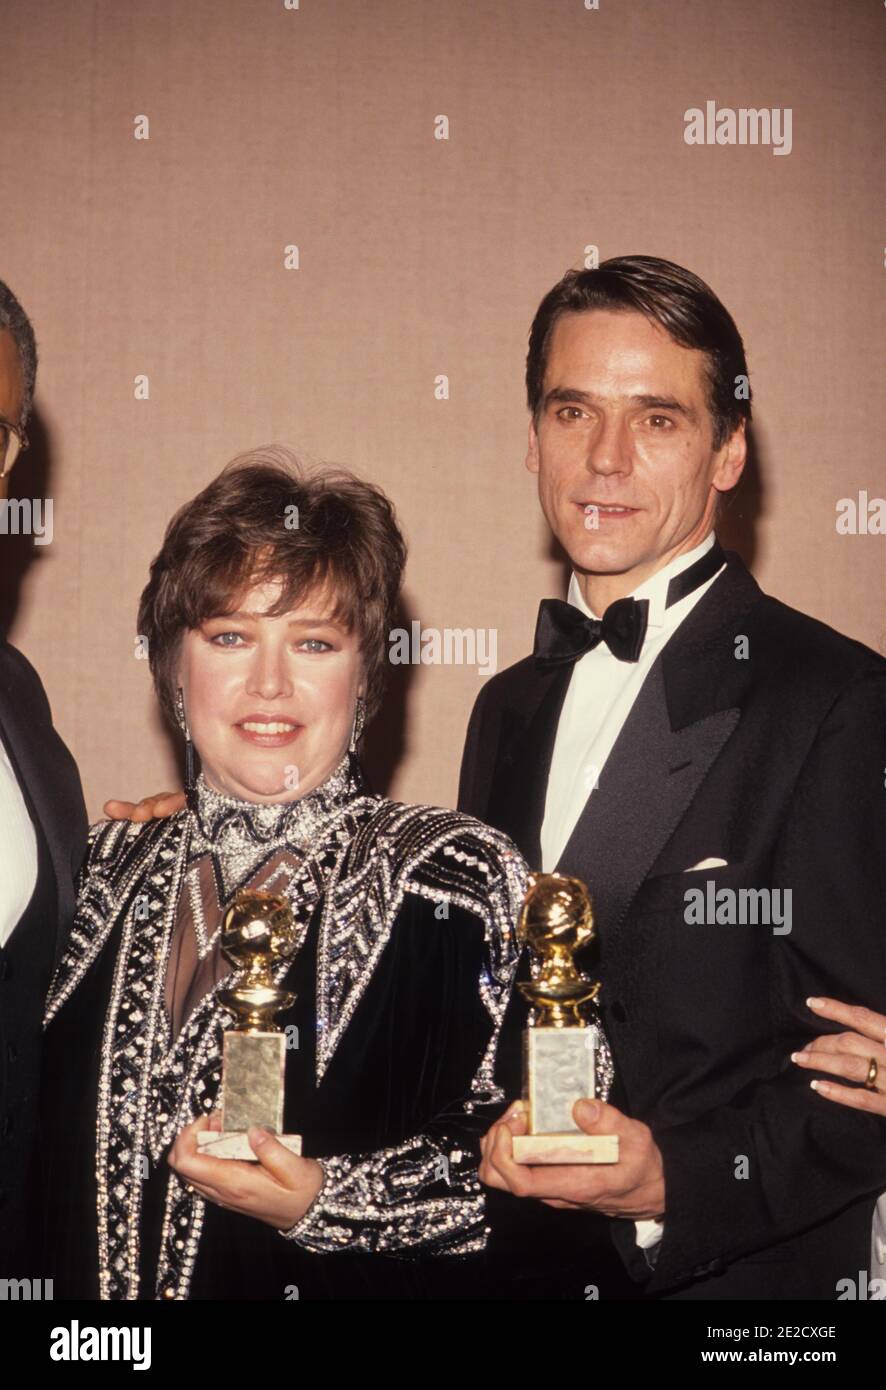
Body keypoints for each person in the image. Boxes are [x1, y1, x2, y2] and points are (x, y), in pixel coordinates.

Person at [464, 255, 886, 1299]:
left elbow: (865, 1081)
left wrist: (671, 1185)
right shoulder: (505, 707)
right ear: (530, 437)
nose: (604, 458)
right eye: (573, 411)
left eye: (656, 419)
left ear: (727, 450)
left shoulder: (834, 698)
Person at [41, 450, 530, 1300]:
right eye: (230, 636)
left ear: (367, 677)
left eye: (313, 641)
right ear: (174, 671)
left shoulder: (455, 882)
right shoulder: (88, 874)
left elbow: (541, 1166)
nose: (269, 683)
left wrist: (328, 1202)